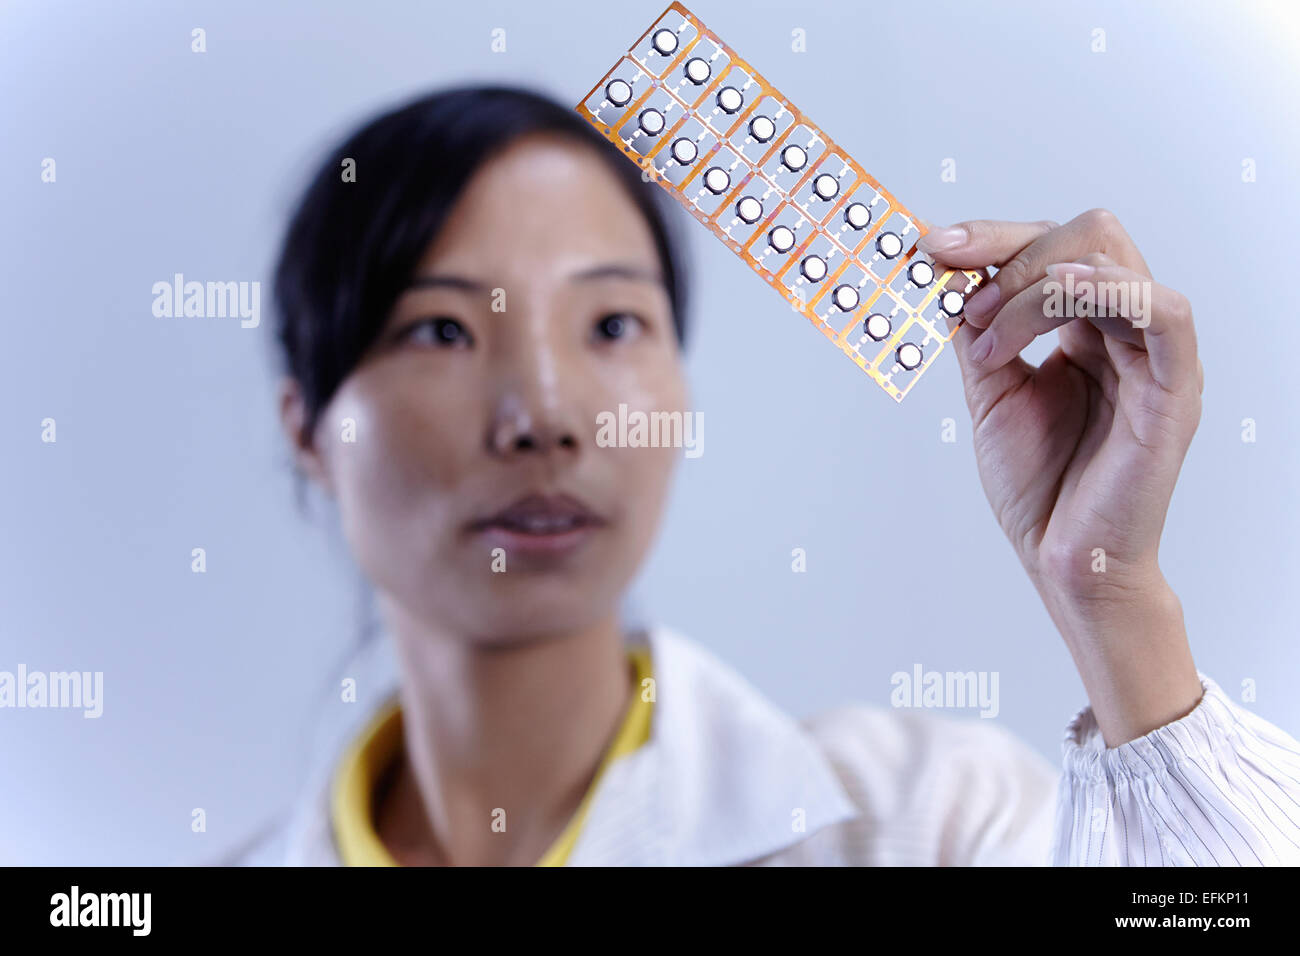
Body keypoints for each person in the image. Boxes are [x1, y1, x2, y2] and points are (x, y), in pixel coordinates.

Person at [227, 85, 1300, 866]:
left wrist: (1111, 595)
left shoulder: (930, 821)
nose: (544, 414)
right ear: (309, 430)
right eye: (443, 330)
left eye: (611, 322)